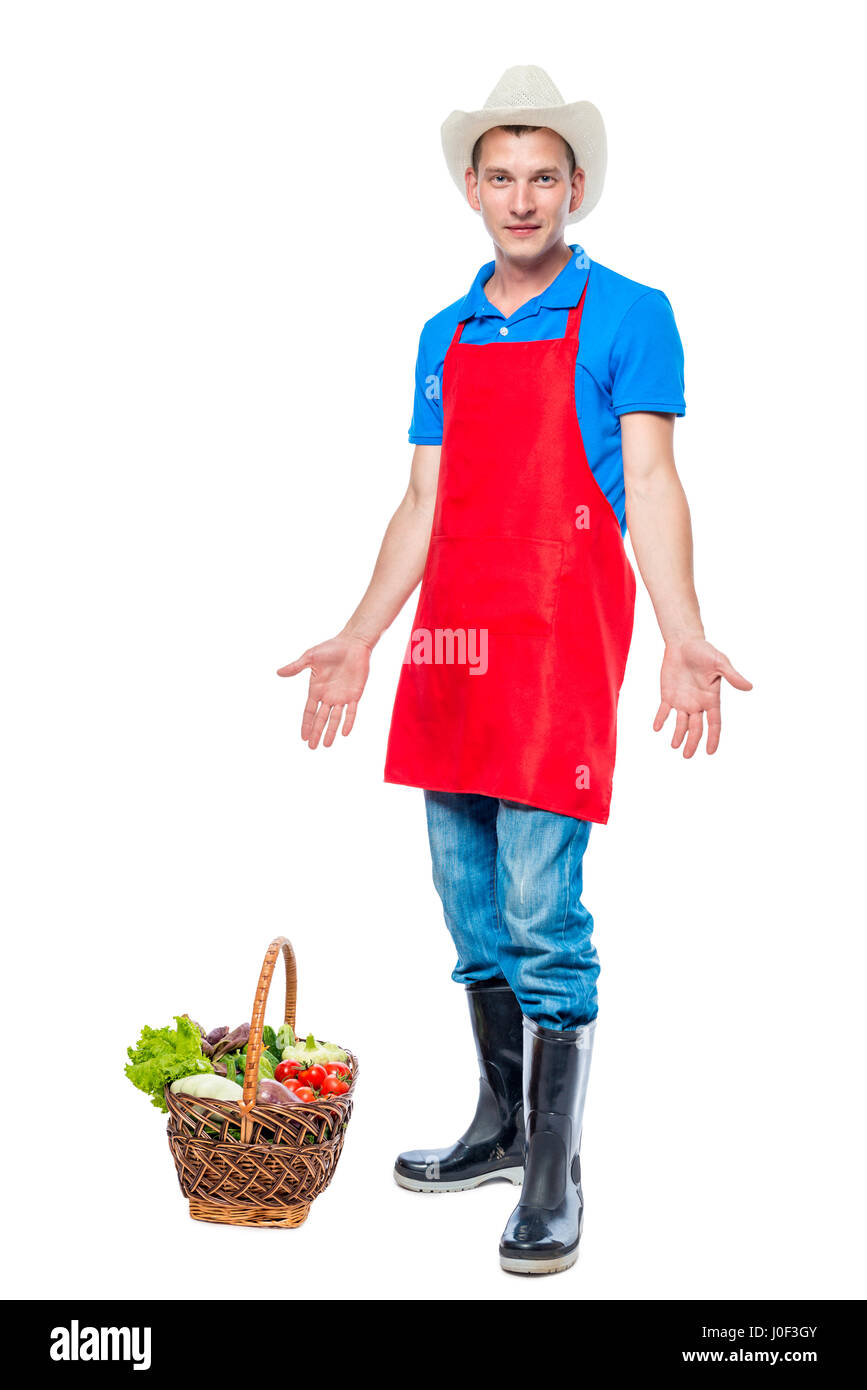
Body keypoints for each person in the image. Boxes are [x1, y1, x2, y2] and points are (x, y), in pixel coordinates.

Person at [278, 65, 751, 1276]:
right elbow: (424, 502)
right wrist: (361, 632)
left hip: (557, 650)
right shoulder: (446, 332)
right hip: (455, 649)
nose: (524, 198)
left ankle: (554, 1167)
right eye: (502, 177)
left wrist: (684, 626)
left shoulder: (633, 313)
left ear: (575, 188)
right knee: (469, 903)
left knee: (546, 912)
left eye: (546, 177)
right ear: (474, 189)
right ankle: (497, 1124)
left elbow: (649, 483)